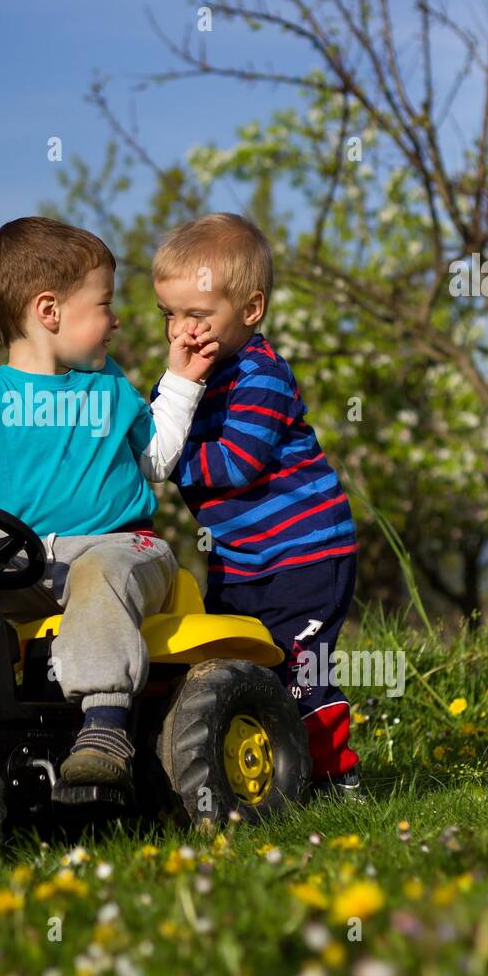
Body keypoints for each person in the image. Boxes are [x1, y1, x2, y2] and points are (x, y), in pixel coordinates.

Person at [0, 216, 219, 788]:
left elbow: (157, 460)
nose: (116, 320)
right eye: (104, 305)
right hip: (23, 565)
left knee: (100, 568)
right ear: (50, 312)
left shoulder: (111, 385)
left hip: (121, 548)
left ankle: (105, 722)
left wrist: (183, 380)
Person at [151, 213, 362, 797]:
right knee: (239, 667)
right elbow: (155, 434)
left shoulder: (259, 376)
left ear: (251, 310)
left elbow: (236, 463)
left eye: (198, 316)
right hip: (240, 561)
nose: (181, 332)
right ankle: (258, 774)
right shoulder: (186, 380)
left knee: (299, 669)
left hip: (305, 553)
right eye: (170, 315)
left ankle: (335, 777)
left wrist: (169, 465)